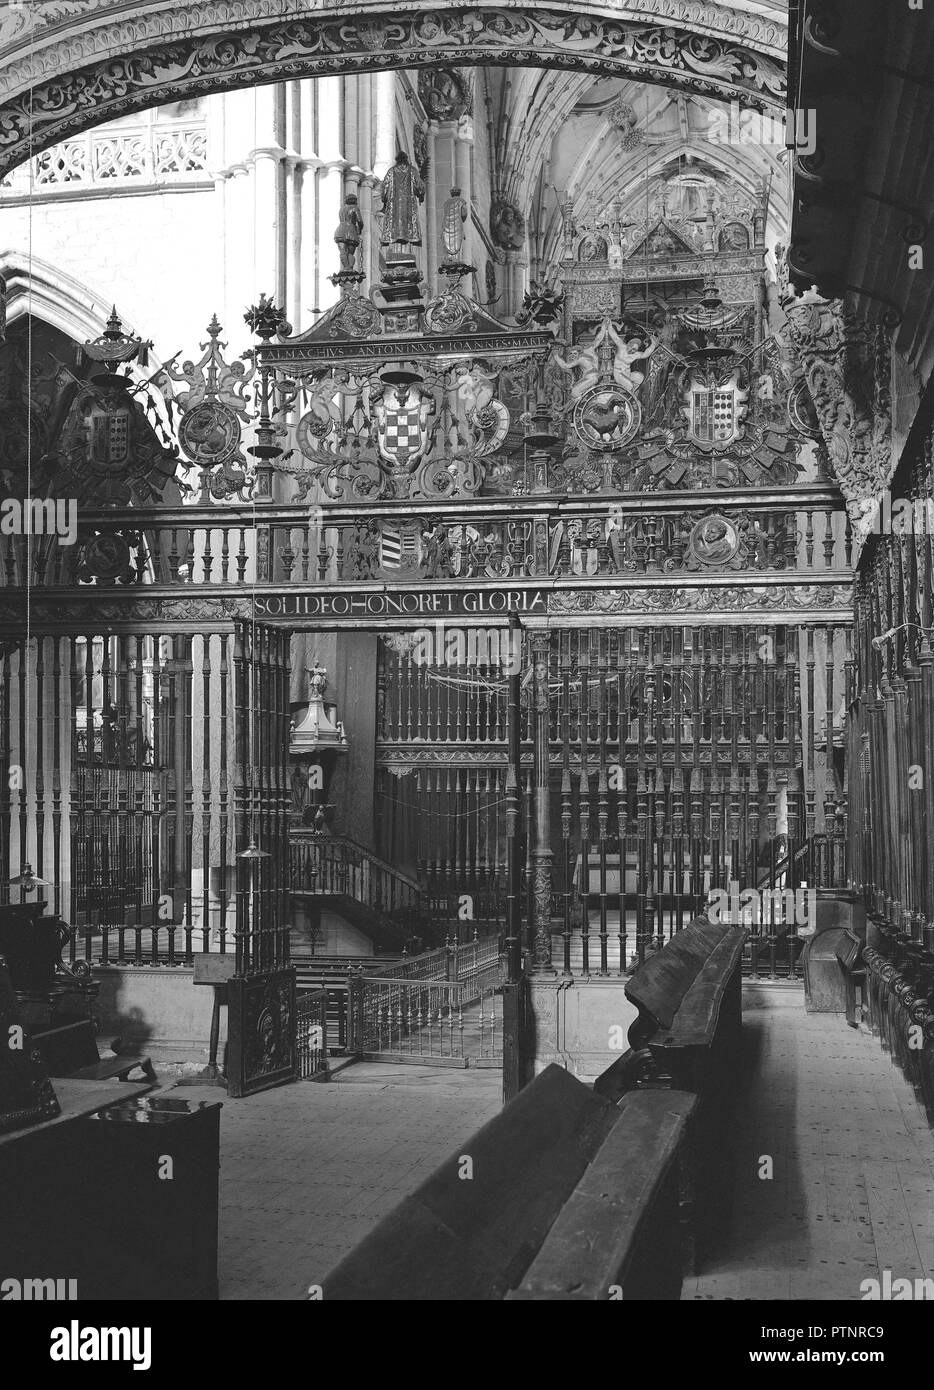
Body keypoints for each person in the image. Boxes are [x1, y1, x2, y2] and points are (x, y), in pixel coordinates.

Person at [379, 151, 425, 248]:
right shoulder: (412, 170)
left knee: (393, 227)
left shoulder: (391, 171)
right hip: (408, 205)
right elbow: (420, 186)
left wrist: (384, 200)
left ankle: (395, 244)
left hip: (394, 206)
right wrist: (421, 195)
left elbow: (384, 188)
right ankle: (406, 244)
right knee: (409, 227)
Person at [335, 192, 364, 271]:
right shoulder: (355, 208)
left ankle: (345, 267)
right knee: (350, 252)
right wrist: (360, 230)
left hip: (340, 231)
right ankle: (350, 268)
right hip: (351, 231)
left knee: (342, 251)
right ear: (354, 201)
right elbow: (360, 221)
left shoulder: (341, 209)